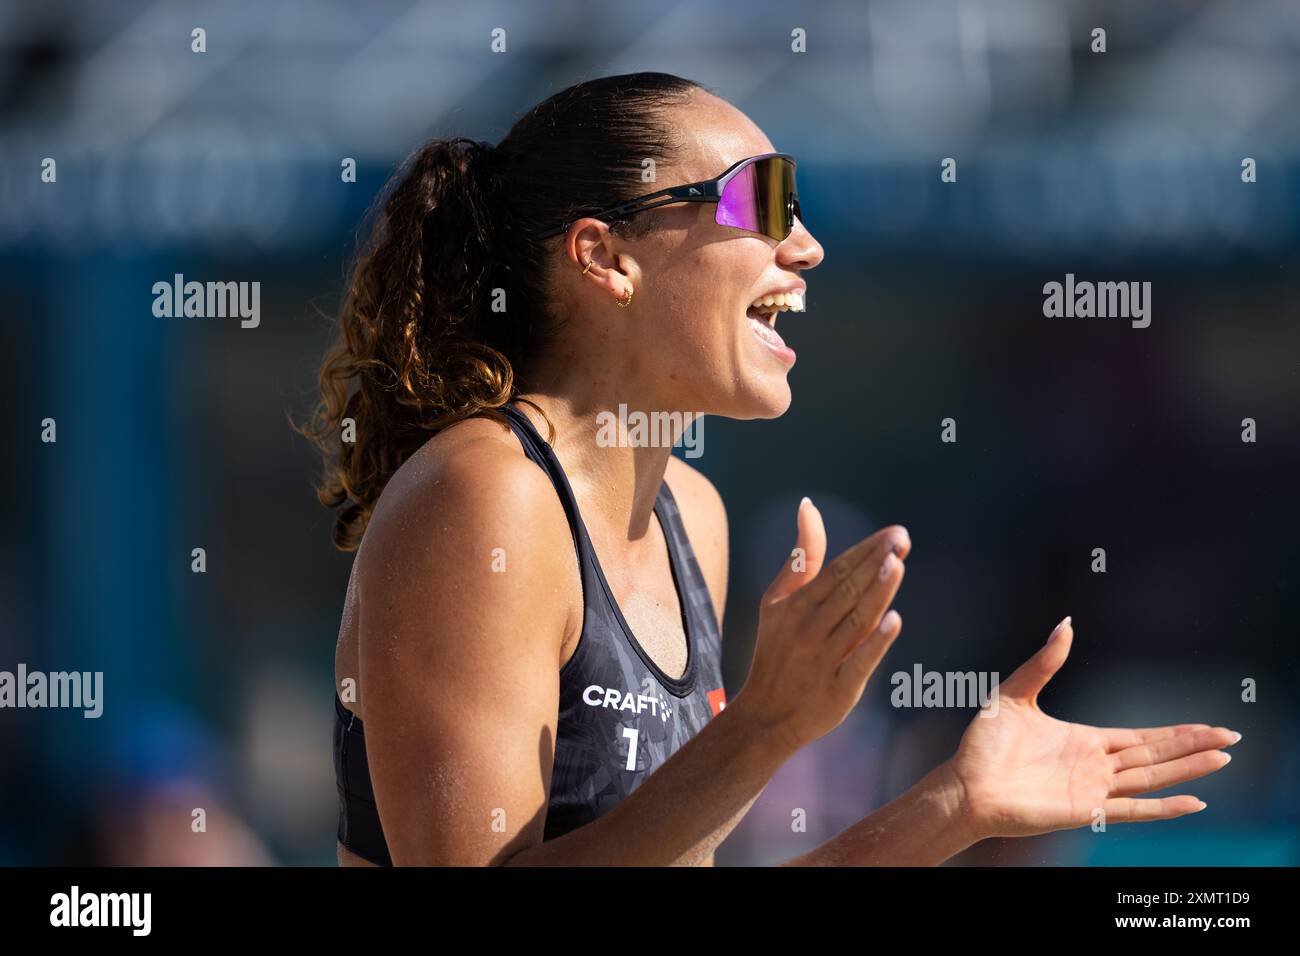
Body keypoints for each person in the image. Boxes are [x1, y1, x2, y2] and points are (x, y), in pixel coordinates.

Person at [303, 72, 1239, 866]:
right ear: (606, 258)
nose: (806, 245)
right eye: (764, 200)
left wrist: (955, 806)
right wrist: (766, 729)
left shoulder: (688, 513)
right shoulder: (486, 494)